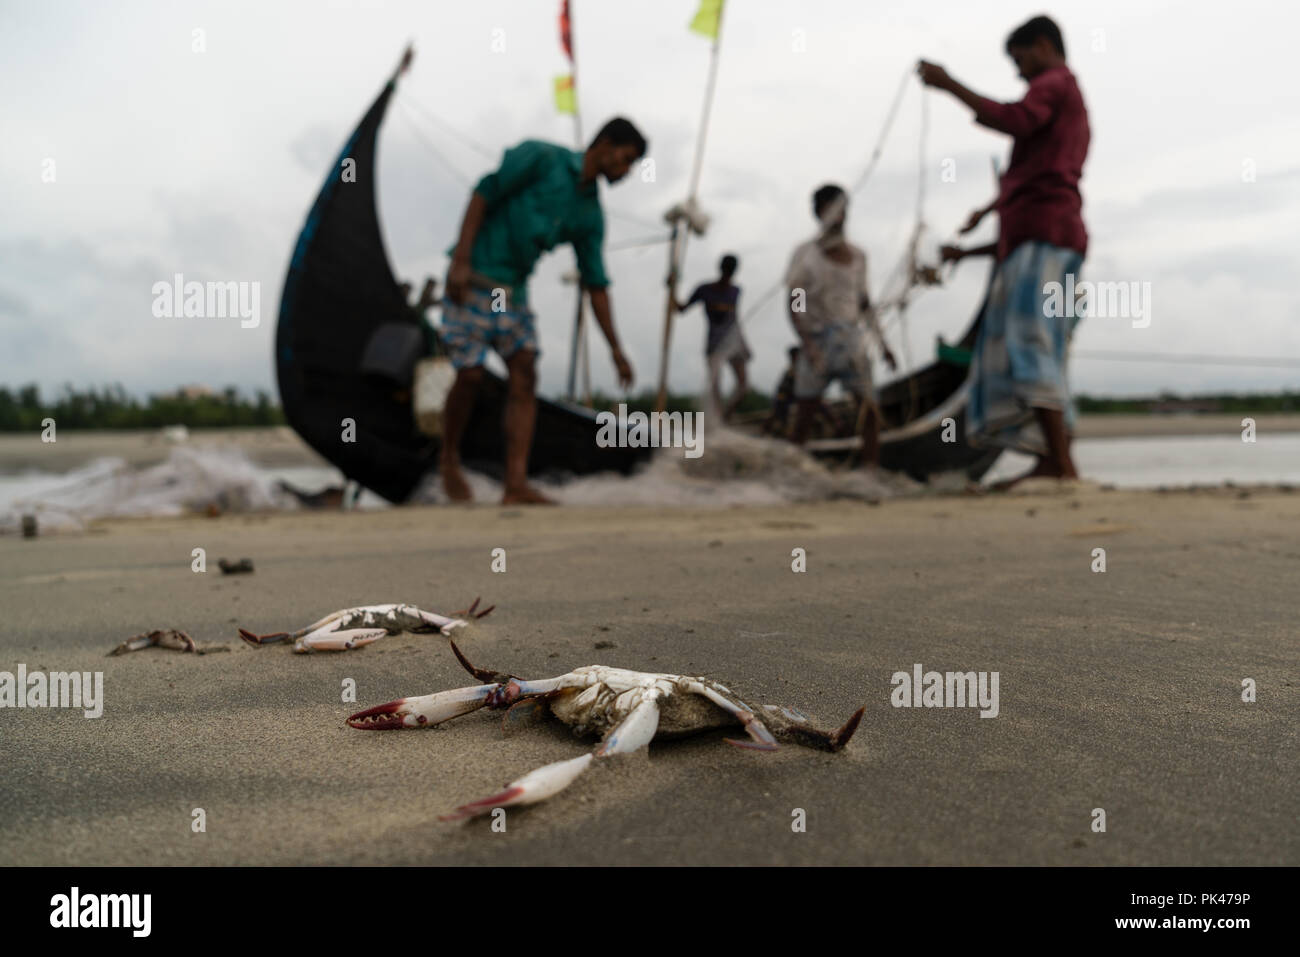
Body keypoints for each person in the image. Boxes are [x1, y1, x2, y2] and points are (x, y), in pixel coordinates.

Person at [918, 14, 1090, 487]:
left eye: (1020, 59)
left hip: (1046, 238)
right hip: (1051, 236)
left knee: (1027, 344)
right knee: (1044, 350)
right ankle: (1055, 461)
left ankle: (1059, 465)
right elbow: (1039, 173)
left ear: (1041, 45)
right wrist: (986, 213)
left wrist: (948, 83)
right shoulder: (1065, 103)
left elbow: (1014, 118)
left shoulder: (1054, 84)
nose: (1019, 72)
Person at [439, 118, 643, 504]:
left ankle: (514, 483)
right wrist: (461, 260)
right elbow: (484, 192)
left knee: (525, 371)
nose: (628, 170)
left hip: (511, 294)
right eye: (627, 158)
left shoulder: (590, 215)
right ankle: (448, 457)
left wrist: (616, 348)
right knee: (469, 374)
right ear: (605, 144)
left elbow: (596, 284)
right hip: (473, 279)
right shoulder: (543, 158)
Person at [784, 184, 897, 467]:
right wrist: (807, 343)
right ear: (818, 213)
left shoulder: (859, 256)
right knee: (806, 414)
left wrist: (884, 345)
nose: (838, 215)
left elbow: (864, 302)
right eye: (831, 209)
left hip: (851, 341)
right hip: (817, 342)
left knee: (868, 409)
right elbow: (794, 301)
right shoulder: (805, 254)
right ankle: (791, 469)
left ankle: (870, 470)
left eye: (842, 208)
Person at [673, 254, 751, 421]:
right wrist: (672, 287)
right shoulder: (704, 290)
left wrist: (744, 344)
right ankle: (718, 419)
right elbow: (682, 308)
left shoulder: (736, 291)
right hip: (714, 343)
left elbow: (735, 319)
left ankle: (724, 417)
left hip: (734, 340)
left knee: (743, 386)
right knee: (715, 386)